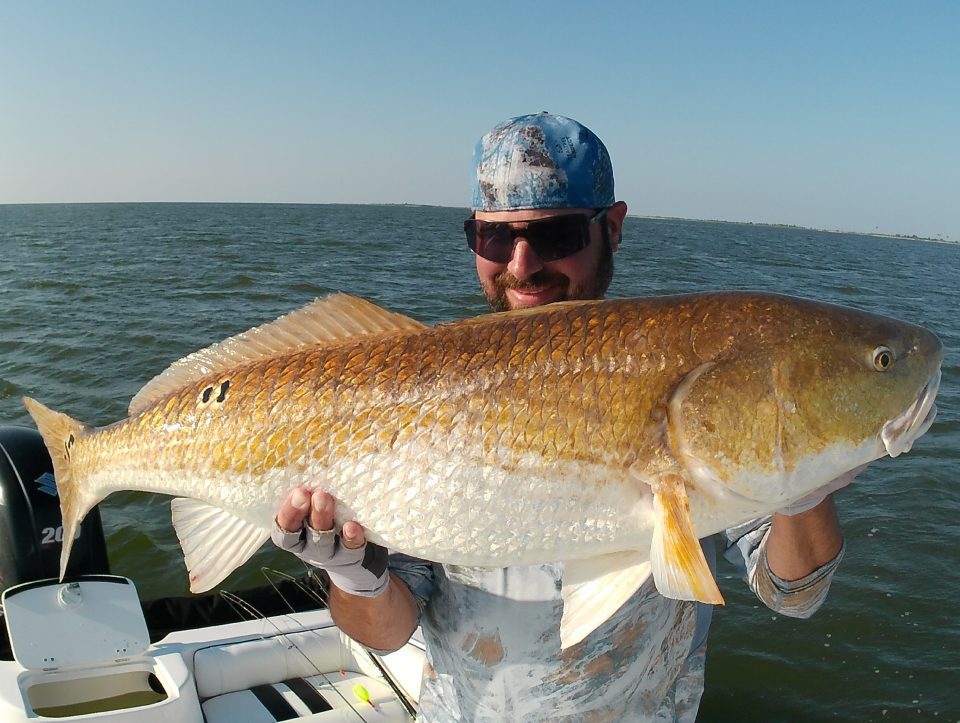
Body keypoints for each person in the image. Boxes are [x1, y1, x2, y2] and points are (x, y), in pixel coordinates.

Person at [272, 113, 856, 721]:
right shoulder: (423, 394)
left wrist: (803, 485)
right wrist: (356, 577)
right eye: (493, 238)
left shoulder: (689, 371)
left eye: (555, 236)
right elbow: (387, 633)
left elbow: (793, 593)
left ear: (613, 228)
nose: (522, 265)